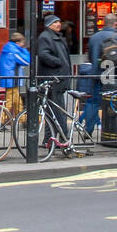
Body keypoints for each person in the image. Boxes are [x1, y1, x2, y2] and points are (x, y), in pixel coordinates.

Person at [80, 13, 117, 140]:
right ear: (115, 24)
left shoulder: (94, 37)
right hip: (111, 75)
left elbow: (90, 57)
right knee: (113, 102)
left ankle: (88, 131)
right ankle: (112, 130)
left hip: (95, 73)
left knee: (92, 103)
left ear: (104, 23)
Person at [36, 13, 76, 154]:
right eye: (55, 22)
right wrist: (59, 63)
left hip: (58, 79)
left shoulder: (57, 37)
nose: (59, 24)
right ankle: (64, 141)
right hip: (53, 80)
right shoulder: (45, 37)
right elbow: (43, 55)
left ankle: (48, 140)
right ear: (49, 25)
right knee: (58, 112)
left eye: (59, 22)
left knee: (51, 112)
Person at [0, 31, 31, 117]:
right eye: (22, 43)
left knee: (17, 101)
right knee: (10, 101)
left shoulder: (8, 48)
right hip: (12, 79)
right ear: (17, 42)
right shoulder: (14, 51)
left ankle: (22, 119)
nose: (23, 45)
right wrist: (24, 50)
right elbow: (26, 61)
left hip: (9, 79)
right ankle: (0, 121)